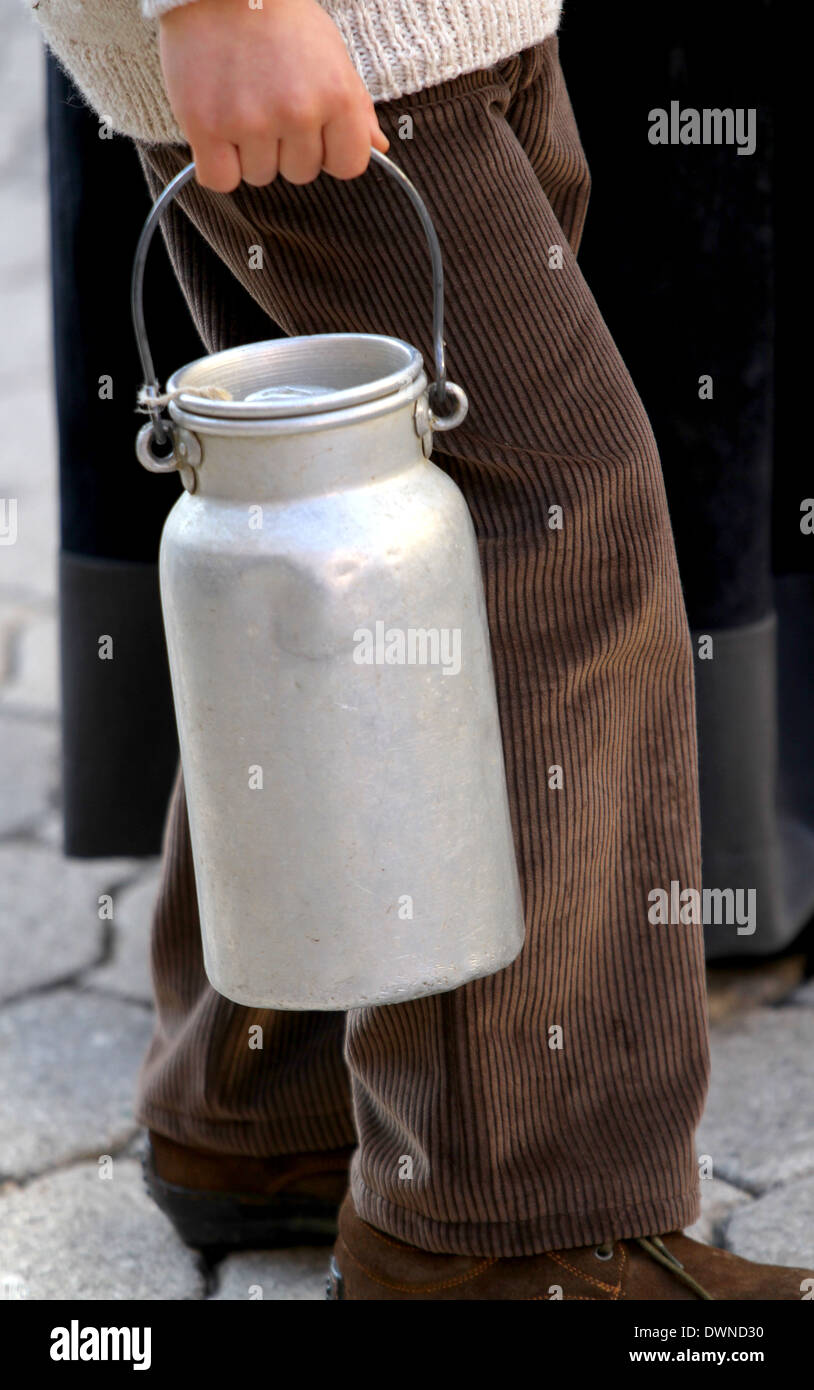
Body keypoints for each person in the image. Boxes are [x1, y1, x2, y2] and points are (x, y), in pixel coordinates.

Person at [31, 0, 808, 1299]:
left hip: (430, 27)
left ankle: (268, 1092)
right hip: (327, 28)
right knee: (537, 528)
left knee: (331, 506)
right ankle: (507, 1226)